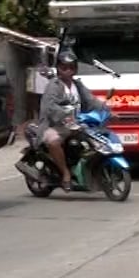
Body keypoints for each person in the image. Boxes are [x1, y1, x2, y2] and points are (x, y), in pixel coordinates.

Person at [32, 49, 101, 189]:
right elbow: (50, 107)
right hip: (54, 126)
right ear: (58, 69)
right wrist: (65, 117)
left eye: (71, 68)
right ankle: (65, 173)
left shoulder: (78, 85)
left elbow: (91, 100)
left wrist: (108, 111)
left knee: (98, 141)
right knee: (53, 141)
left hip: (76, 124)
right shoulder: (54, 86)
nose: (68, 71)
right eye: (64, 68)